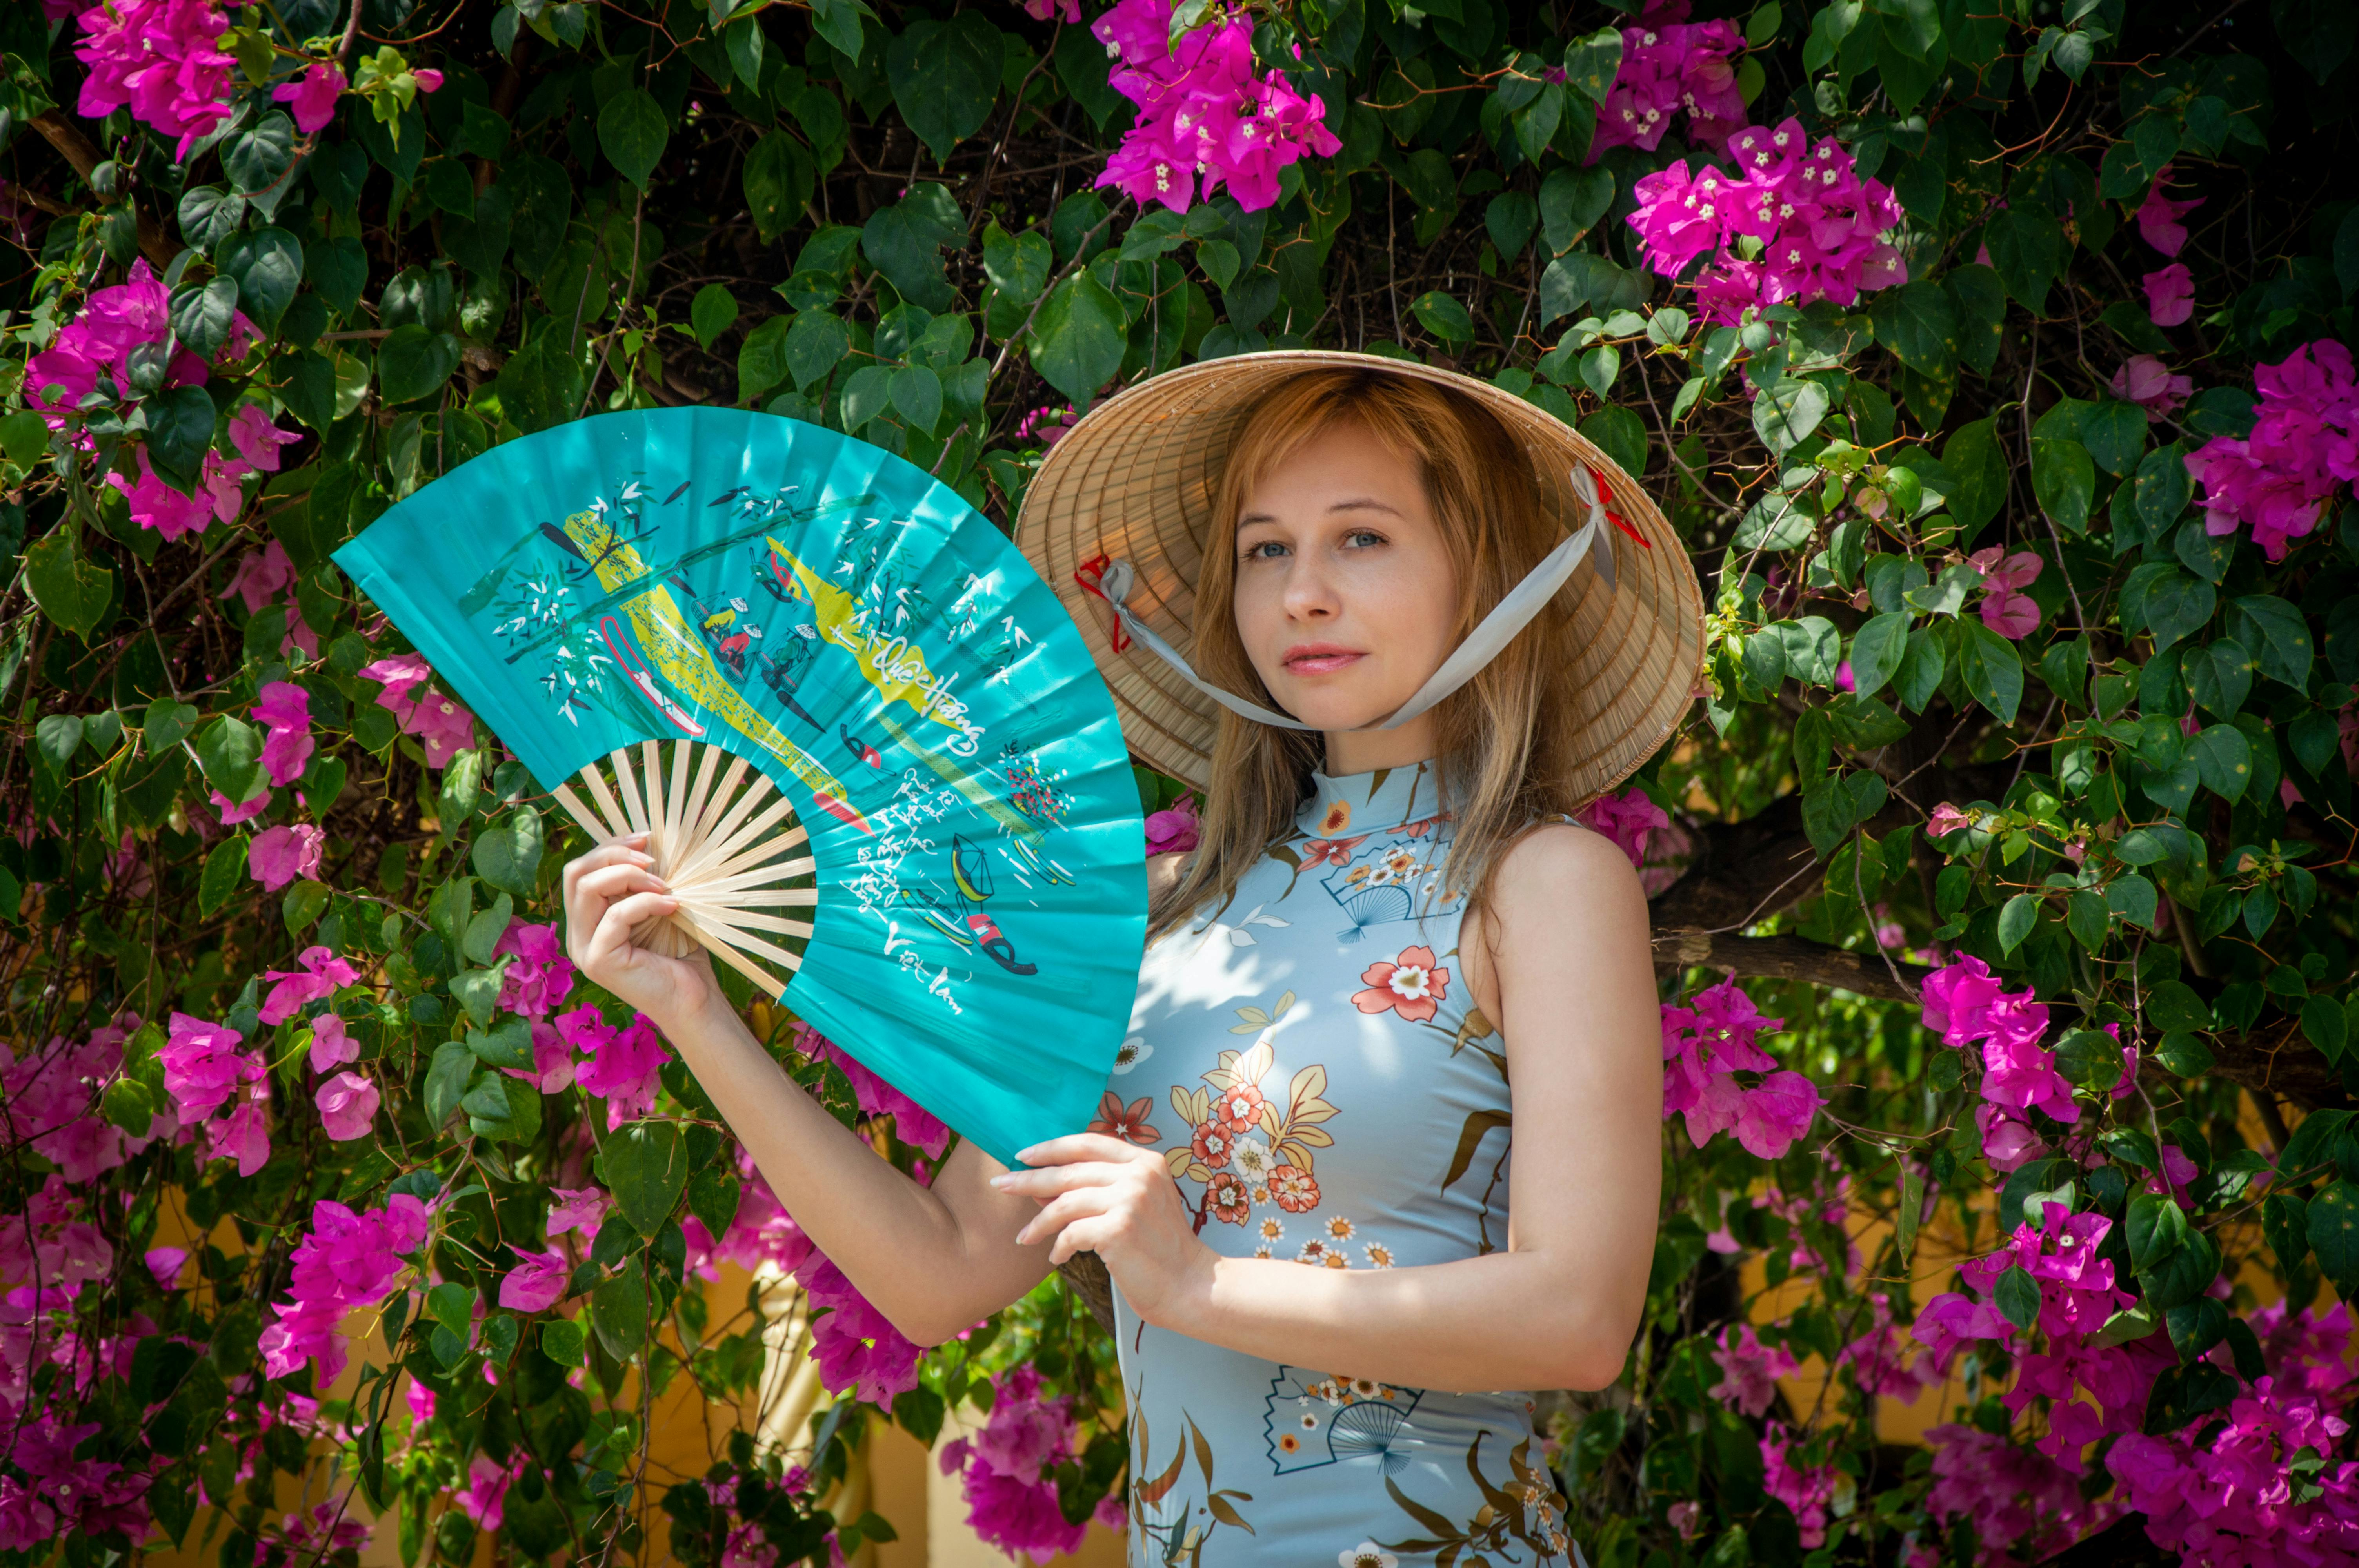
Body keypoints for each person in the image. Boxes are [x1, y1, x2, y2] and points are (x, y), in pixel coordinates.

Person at [564, 352, 1705, 1567]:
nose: (1302, 595)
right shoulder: (1152, 919)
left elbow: (1579, 1319)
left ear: (1486, 576)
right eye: (1266, 550)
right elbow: (942, 1274)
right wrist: (693, 1012)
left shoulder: (1541, 886)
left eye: (1361, 540)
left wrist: (1198, 1286)